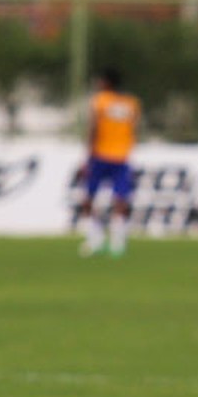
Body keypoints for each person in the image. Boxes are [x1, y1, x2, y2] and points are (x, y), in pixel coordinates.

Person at [78, 67, 141, 257]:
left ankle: (95, 238)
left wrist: (88, 156)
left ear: (106, 83)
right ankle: (117, 241)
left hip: (100, 155)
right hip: (122, 156)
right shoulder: (132, 103)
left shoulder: (100, 101)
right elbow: (134, 128)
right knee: (120, 199)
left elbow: (94, 128)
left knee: (88, 197)